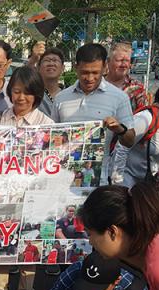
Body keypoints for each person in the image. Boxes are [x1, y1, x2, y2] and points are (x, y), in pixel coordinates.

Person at [0, 66, 52, 290]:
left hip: (34, 193)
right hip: (4, 190)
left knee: (30, 241)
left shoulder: (47, 124)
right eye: (16, 91)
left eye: (27, 93)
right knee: (1, 239)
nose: (21, 98)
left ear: (37, 95)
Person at [51, 43, 136, 185]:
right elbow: (52, 137)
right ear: (76, 67)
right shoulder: (61, 98)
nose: (89, 78)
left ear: (105, 68)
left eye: (95, 72)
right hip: (62, 178)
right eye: (84, 72)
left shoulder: (119, 97)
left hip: (98, 180)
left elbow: (130, 140)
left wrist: (120, 129)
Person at [105, 42, 148, 112]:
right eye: (120, 60)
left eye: (127, 61)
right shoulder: (98, 84)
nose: (124, 64)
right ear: (108, 61)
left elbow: (143, 114)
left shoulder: (136, 87)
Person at [37, 47, 66, 118]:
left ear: (63, 68)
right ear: (38, 67)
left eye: (55, 60)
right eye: (47, 60)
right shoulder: (32, 93)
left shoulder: (70, 94)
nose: (51, 64)